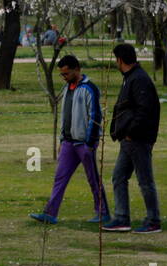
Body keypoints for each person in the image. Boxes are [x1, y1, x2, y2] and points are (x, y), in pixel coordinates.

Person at [30, 54, 109, 225]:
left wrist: (89, 143)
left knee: (93, 178)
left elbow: (95, 116)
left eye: (66, 74)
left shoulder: (90, 89)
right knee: (60, 177)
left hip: (84, 143)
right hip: (68, 142)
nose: (64, 77)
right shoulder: (66, 89)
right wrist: (61, 140)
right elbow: (65, 116)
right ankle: (50, 213)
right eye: (62, 74)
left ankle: (103, 212)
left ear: (77, 70)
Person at [103, 43, 162, 234]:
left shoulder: (138, 80)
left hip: (137, 139)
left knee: (145, 180)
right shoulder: (131, 78)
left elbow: (144, 110)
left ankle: (153, 220)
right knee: (119, 177)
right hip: (129, 140)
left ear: (120, 60)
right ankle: (121, 218)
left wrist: (131, 132)